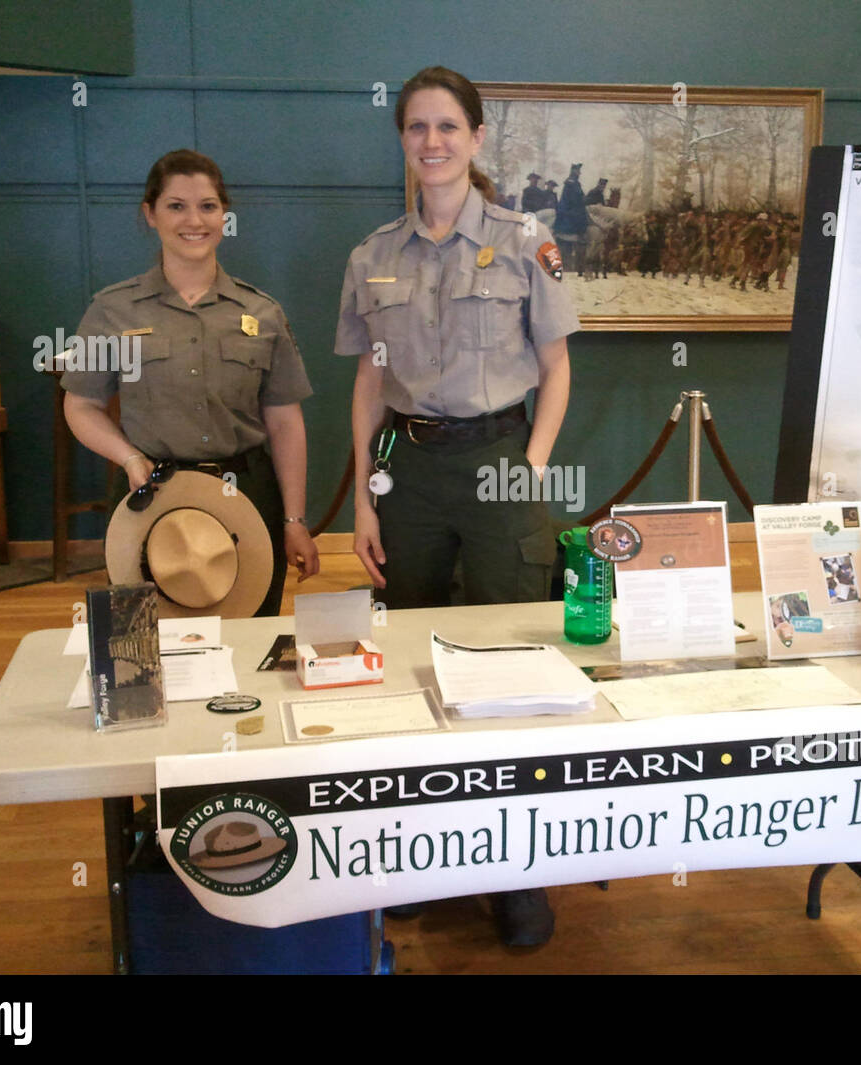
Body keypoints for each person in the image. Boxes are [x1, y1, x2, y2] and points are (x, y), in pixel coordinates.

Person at [334, 66, 578, 946]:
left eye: (447, 127)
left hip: (501, 460)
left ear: (476, 138)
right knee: (411, 659)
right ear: (403, 140)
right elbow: (367, 380)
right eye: (415, 129)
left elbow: (556, 369)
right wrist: (364, 492)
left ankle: (518, 868)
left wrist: (535, 468)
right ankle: (423, 851)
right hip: (411, 471)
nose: (431, 143)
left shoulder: (525, 241)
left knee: (514, 659)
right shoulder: (374, 255)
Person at [62, 149, 318, 616]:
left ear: (224, 214)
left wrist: (295, 520)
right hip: (153, 498)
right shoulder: (112, 310)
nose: (193, 220)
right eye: (176, 205)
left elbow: (284, 421)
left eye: (207, 206)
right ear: (150, 214)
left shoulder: (262, 312)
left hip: (247, 499)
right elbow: (80, 406)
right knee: (158, 654)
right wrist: (129, 458)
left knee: (251, 644)